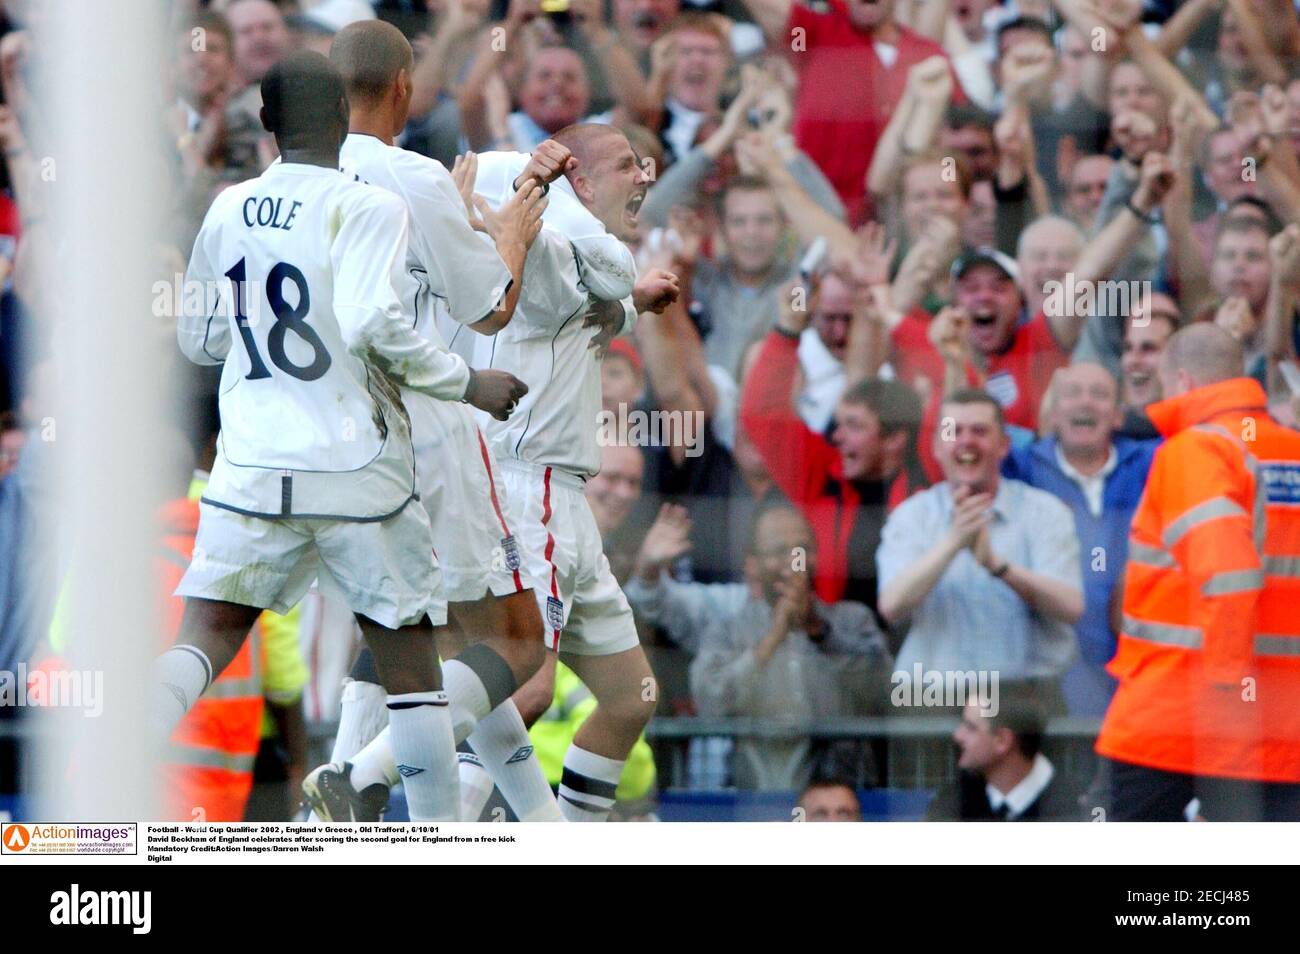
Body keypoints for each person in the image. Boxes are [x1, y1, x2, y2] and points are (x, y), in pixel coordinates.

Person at [153, 51, 526, 822]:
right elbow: (370, 321)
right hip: (355, 469)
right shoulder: (368, 207)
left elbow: (196, 339)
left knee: (207, 636)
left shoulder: (227, 207)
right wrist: (468, 381)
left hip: (252, 466)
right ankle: (434, 835)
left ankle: (102, 773)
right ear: (343, 121)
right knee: (413, 664)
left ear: (265, 124)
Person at [299, 20, 559, 823]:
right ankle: (364, 777)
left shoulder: (287, 183)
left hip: (329, 442)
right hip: (426, 432)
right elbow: (492, 308)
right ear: (405, 85)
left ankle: (342, 809)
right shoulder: (413, 177)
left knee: (405, 638)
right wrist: (508, 232)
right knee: (516, 642)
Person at [472, 123, 680, 821]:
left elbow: (582, 308)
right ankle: (379, 783)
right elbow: (583, 285)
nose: (645, 176)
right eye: (626, 165)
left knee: (631, 696)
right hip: (528, 487)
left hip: (567, 500)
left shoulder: (567, 255)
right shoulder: (542, 241)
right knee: (526, 689)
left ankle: (571, 836)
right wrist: (534, 178)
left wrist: (636, 305)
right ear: (579, 183)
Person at [1097, 324, 1300, 821]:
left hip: (1176, 718)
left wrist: (1225, 685)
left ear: (1182, 382)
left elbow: (1229, 576)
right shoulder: (1291, 452)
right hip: (1280, 728)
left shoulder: (1196, 450)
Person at [627, 502, 893, 789]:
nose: (794, 560)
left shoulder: (853, 620)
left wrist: (818, 630)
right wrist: (771, 640)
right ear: (752, 563)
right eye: (779, 551)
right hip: (752, 799)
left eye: (803, 548)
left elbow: (884, 692)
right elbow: (710, 702)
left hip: (841, 803)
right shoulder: (727, 629)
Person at [877, 389, 1083, 702]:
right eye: (952, 431)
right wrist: (952, 543)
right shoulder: (911, 516)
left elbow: (1071, 607)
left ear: (1003, 445)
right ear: (936, 447)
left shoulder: (1045, 511)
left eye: (980, 431)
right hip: (934, 699)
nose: (966, 441)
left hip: (1025, 701)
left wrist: (998, 567)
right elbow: (891, 606)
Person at [1001, 363, 1159, 715]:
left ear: (1118, 417)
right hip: (1050, 680)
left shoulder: (1153, 463)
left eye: (1099, 394)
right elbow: (961, 445)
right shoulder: (1021, 468)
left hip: (1140, 675)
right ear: (1053, 414)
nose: (1085, 402)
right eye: (1072, 393)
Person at [926, 692, 1085, 821]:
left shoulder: (1078, 809)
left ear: (1002, 740)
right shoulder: (954, 799)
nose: (957, 736)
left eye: (970, 728)